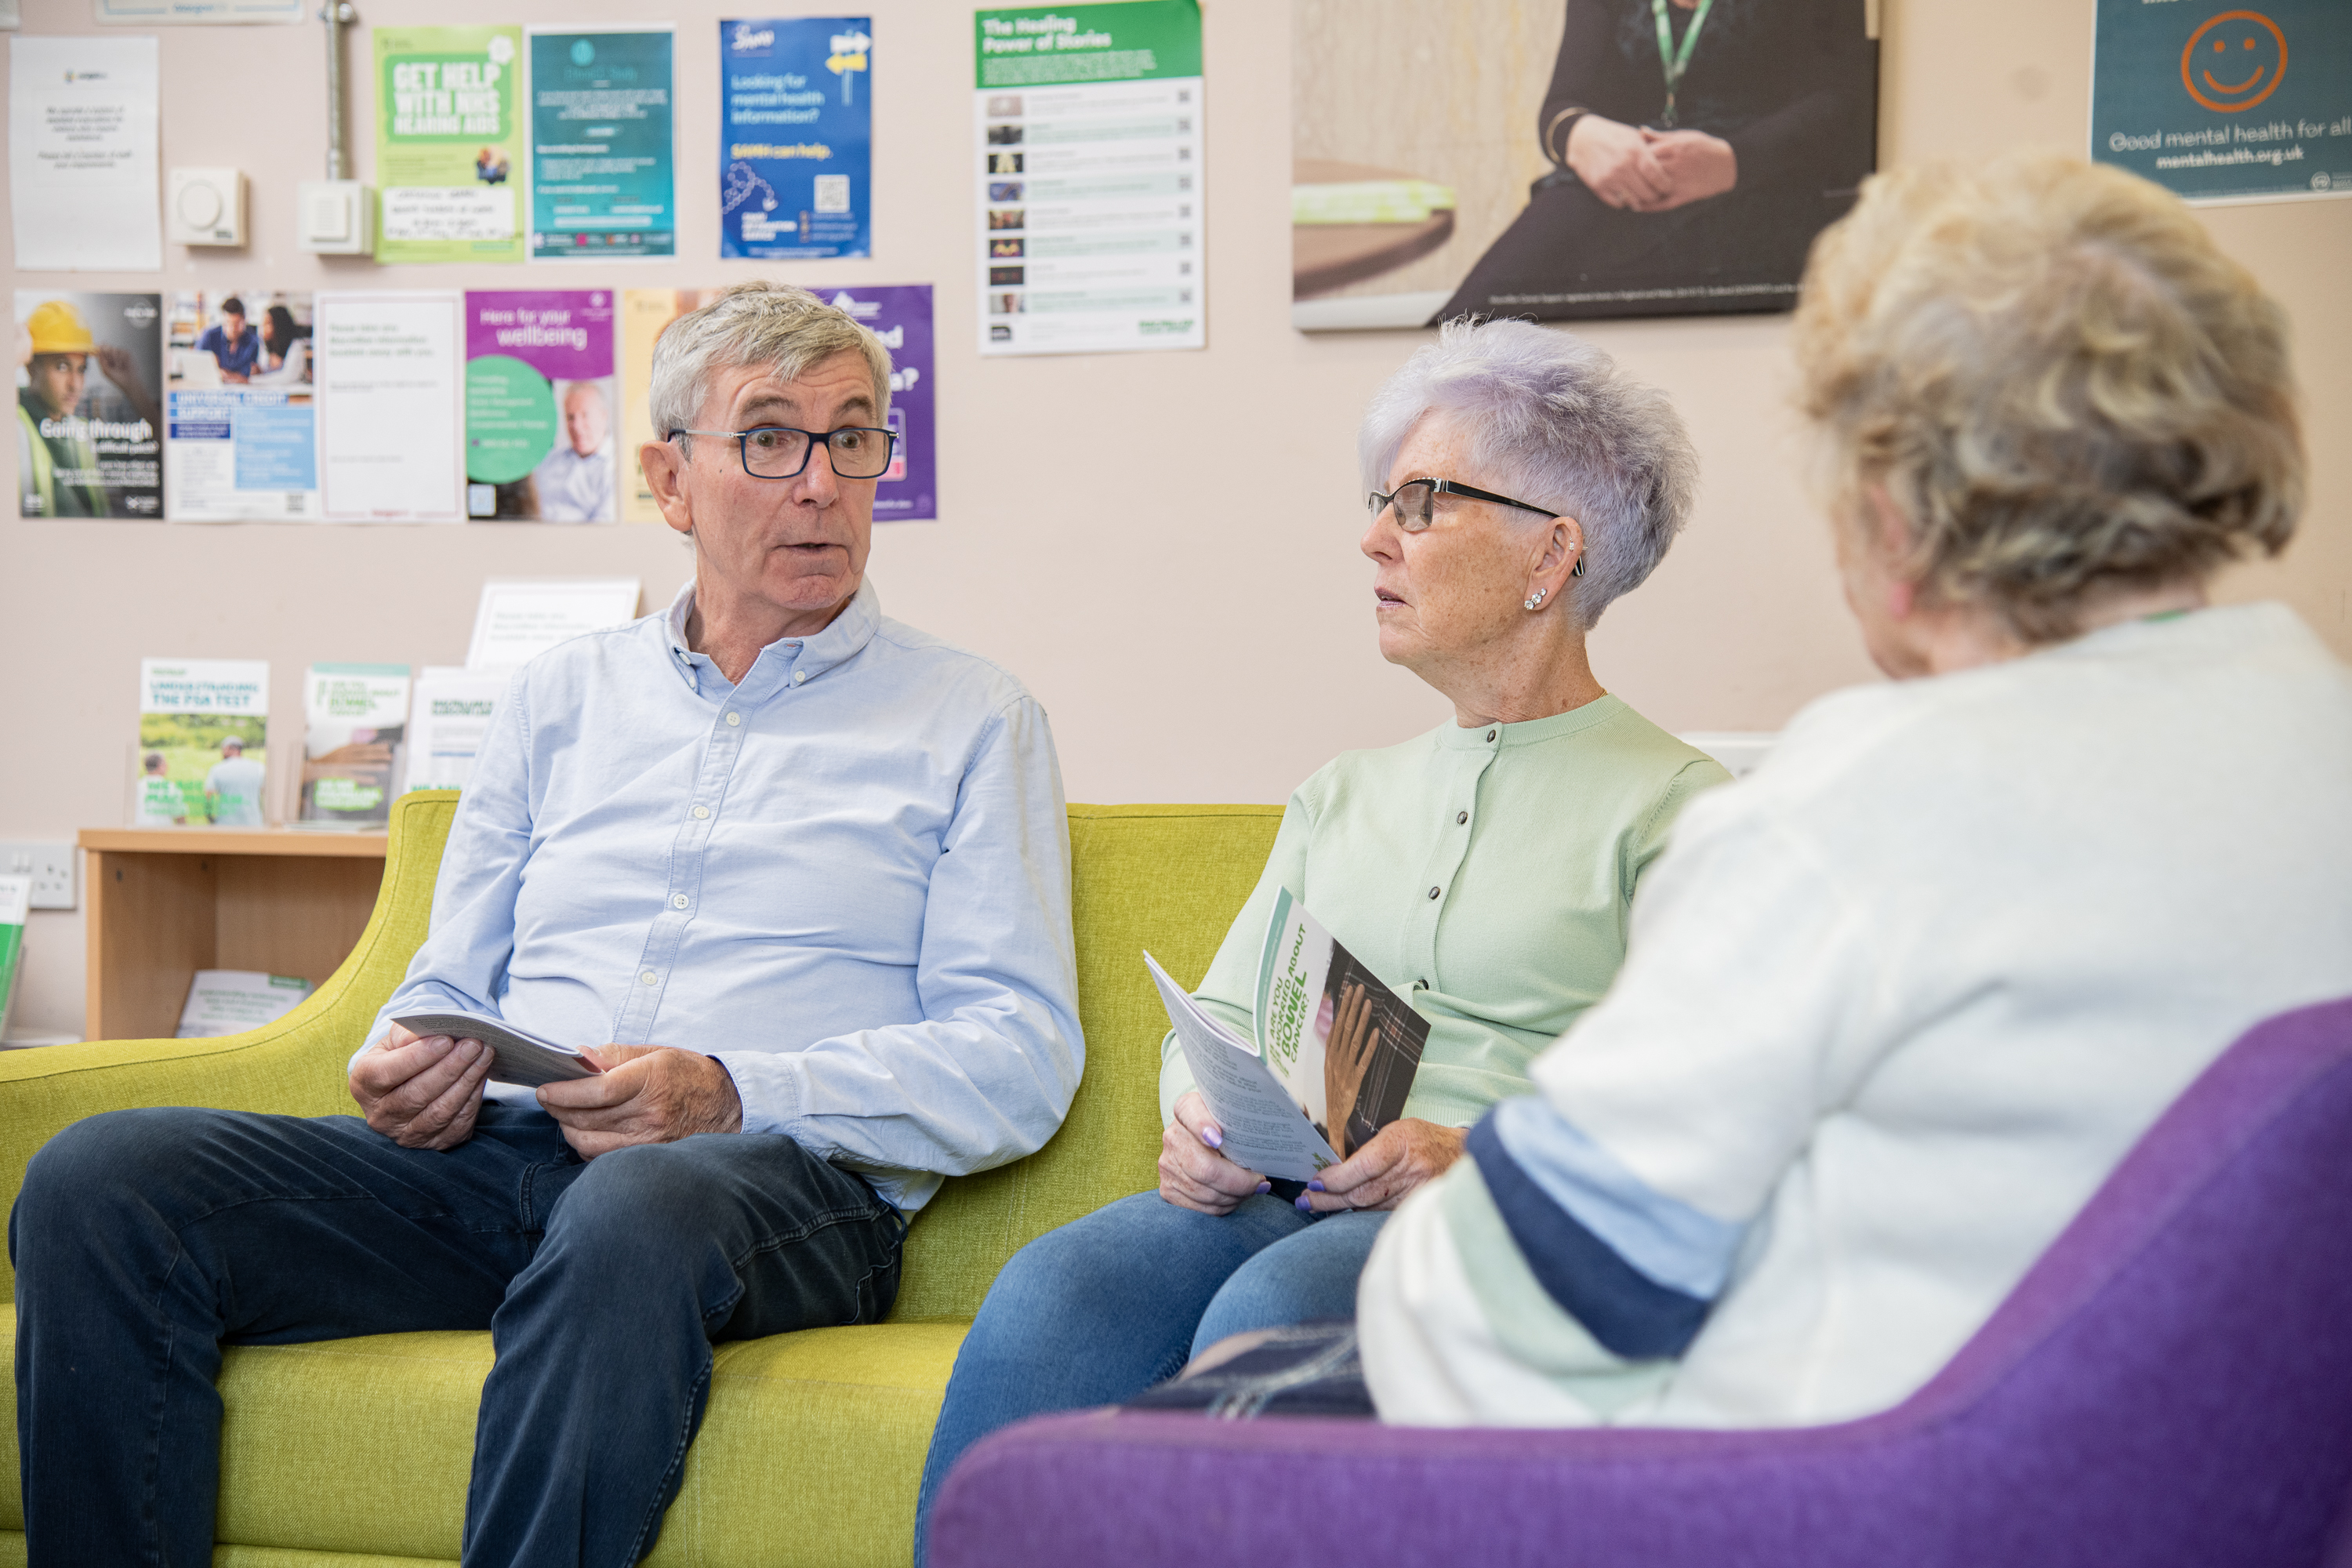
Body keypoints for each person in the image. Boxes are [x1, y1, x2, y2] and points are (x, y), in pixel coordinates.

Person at [11, 282, 1084, 1567]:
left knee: (636, 1204)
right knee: (100, 1182)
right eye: (769, 438)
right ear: (668, 479)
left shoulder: (973, 719)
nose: (820, 483)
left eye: (853, 437)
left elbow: (1019, 1052)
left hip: (778, 1193)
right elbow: (448, 975)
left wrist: (733, 1090)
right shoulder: (561, 697)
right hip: (500, 1166)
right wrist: (413, 1058)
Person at [1352, 154, 2352, 1428]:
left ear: (1892, 523)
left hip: (1844, 1507)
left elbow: (1487, 1323)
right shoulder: (2322, 738)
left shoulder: (1852, 815)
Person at [916, 318, 1733, 1555]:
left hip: (1495, 1228)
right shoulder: (1341, 794)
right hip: (1285, 1190)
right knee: (1059, 1288)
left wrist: (1464, 1152)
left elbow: (1696, 1102)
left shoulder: (1679, 810)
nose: (1373, 537)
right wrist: (1198, 1116)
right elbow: (1228, 1017)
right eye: (1381, 500)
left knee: (1277, 1303)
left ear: (1550, 555)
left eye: (1423, 502)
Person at [1435, 0, 1875, 324]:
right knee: (1468, 322)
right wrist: (1580, 135)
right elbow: (1560, 107)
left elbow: (1842, 105)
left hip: (1760, 188)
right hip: (1617, 188)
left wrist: (1733, 161)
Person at [15, 299, 158, 520]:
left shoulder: (82, 433)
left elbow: (161, 451)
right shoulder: (14, 422)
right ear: (31, 365)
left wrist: (133, 386)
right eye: (62, 367)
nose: (75, 385)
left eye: (81, 369)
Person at [530, 379, 615, 521]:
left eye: (585, 415)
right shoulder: (550, 461)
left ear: (604, 416)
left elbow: (603, 530)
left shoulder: (617, 466)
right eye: (570, 417)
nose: (577, 426)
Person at [200, 734, 266, 826]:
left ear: (227, 749)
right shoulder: (259, 768)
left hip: (226, 825)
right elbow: (266, 794)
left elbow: (208, 796)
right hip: (253, 824)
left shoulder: (217, 769)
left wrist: (210, 819)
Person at [195, 296, 260, 382]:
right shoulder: (209, 336)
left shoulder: (252, 342)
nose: (232, 329)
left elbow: (247, 376)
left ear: (244, 321)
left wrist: (219, 372)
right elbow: (197, 366)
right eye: (227, 323)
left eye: (236, 324)